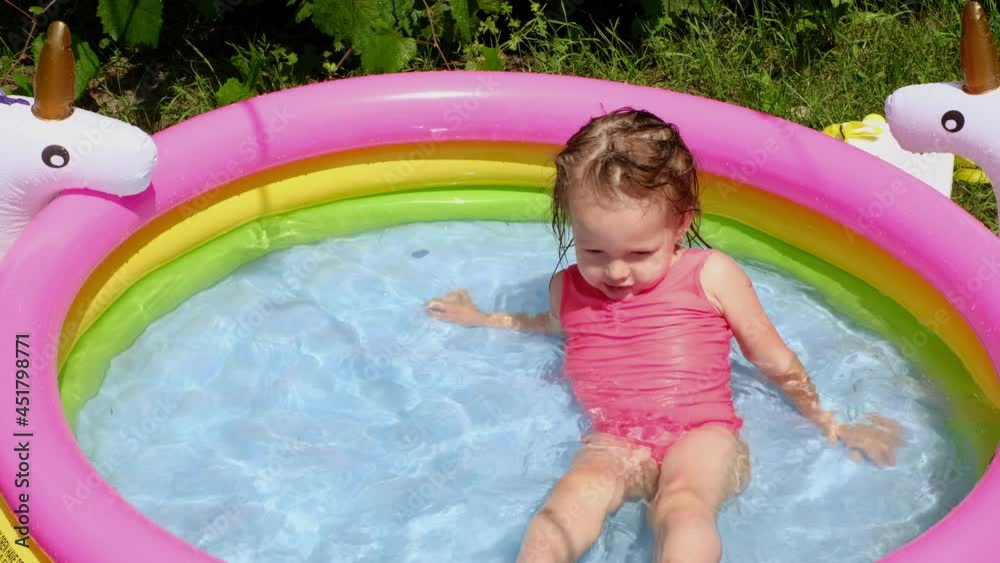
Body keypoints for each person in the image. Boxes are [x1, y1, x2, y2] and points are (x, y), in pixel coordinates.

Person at [425, 108, 905, 563]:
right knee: (566, 504)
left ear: (681, 223)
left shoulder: (710, 274)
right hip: (614, 439)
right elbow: (554, 327)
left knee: (682, 505)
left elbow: (772, 359)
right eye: (592, 250)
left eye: (638, 253)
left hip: (703, 435)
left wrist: (829, 421)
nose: (615, 271)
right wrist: (485, 319)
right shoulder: (567, 287)